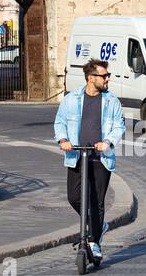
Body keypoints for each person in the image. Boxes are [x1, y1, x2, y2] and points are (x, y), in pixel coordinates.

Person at [53, 58, 127, 263]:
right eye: (104, 76)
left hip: (101, 158)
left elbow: (120, 126)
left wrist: (108, 142)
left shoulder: (112, 101)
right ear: (90, 78)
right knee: (74, 197)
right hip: (76, 155)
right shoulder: (71, 99)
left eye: (107, 76)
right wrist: (63, 139)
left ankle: (94, 241)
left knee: (96, 202)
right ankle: (97, 225)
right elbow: (60, 122)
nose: (107, 79)